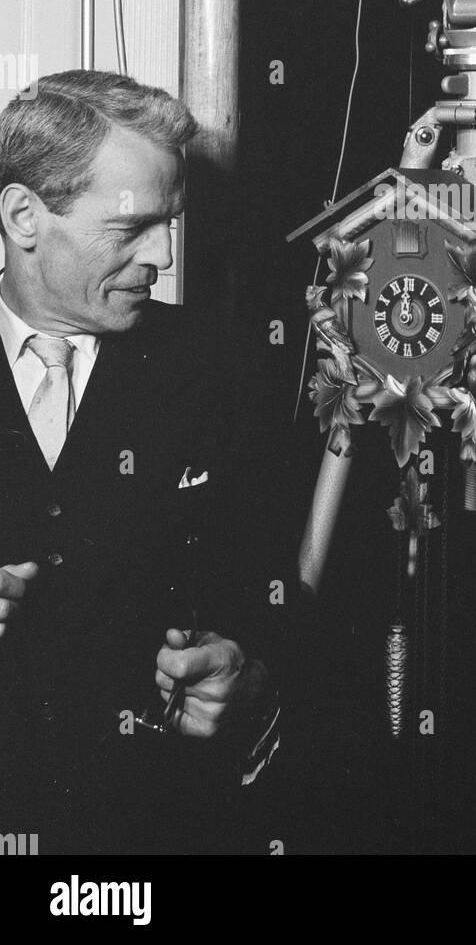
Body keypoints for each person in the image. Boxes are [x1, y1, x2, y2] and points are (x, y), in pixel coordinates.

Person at [0, 70, 280, 855]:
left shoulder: (223, 370)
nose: (161, 255)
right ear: (25, 215)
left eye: (171, 224)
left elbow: (285, 593)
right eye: (130, 229)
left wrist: (251, 684)